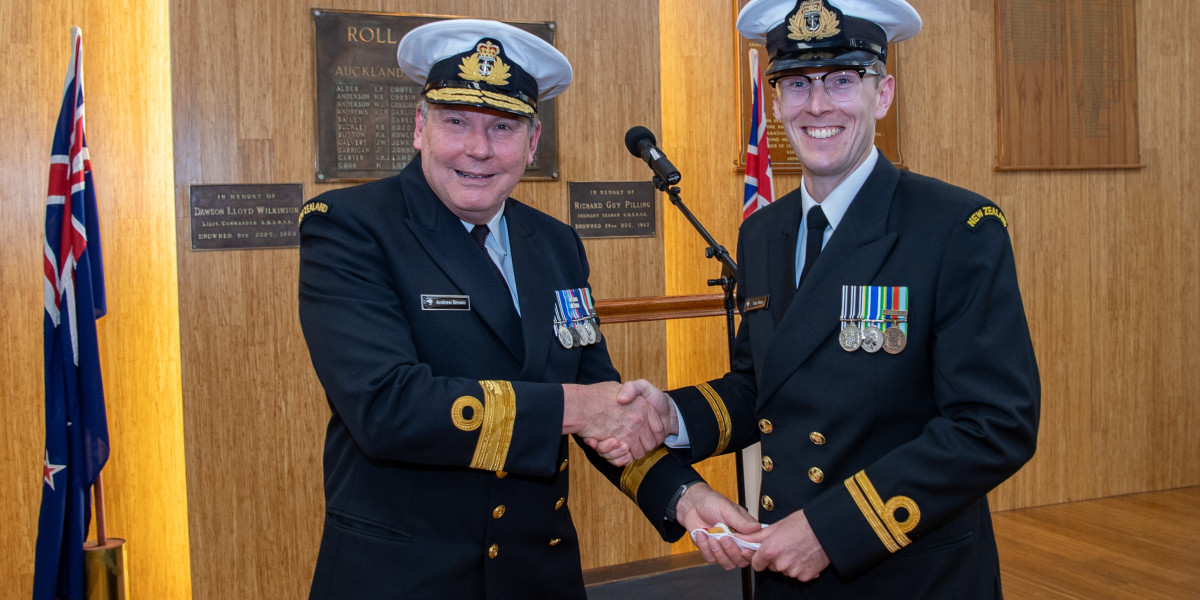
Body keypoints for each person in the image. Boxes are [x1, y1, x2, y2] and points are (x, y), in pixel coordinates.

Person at [297, 18, 752, 600]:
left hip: (537, 572)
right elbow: (388, 408)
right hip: (406, 576)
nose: (479, 149)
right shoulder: (351, 228)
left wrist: (684, 496)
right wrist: (576, 408)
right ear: (419, 127)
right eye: (456, 121)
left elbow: (600, 401)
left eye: (503, 127)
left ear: (532, 143)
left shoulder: (555, 244)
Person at [600, 0, 1041, 597]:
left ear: (882, 94)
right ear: (776, 102)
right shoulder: (762, 232)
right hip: (784, 564)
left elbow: (994, 424)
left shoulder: (956, 227)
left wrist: (834, 530)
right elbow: (760, 386)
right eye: (797, 83)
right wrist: (671, 416)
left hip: (904, 569)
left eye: (841, 80)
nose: (817, 105)